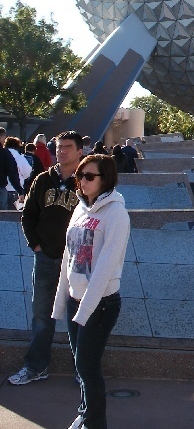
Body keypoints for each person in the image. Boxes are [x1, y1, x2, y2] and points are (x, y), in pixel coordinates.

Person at [52, 154, 129, 429]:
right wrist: (63, 300)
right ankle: (85, 413)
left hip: (101, 303)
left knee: (87, 366)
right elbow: (68, 257)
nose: (82, 182)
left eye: (89, 176)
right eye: (80, 176)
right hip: (76, 299)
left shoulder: (116, 214)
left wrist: (85, 310)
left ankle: (95, 423)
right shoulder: (80, 209)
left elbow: (106, 267)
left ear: (105, 178)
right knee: (80, 365)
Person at [9, 130, 83, 385]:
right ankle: (36, 367)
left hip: (77, 261)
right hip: (46, 258)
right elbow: (28, 215)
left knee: (79, 317)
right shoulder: (43, 180)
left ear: (79, 151)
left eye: (68, 147)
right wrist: (36, 245)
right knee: (42, 314)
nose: (61, 151)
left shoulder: (88, 180)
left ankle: (83, 371)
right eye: (59, 147)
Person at [4, 137, 32, 209]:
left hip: (2, 188)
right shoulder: (19, 158)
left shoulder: (3, 155)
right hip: (15, 189)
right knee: (12, 216)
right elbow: (27, 172)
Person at [0, 128, 24, 210]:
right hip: (0, 188)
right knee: (2, 219)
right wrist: (20, 191)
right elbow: (12, 173)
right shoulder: (4, 153)